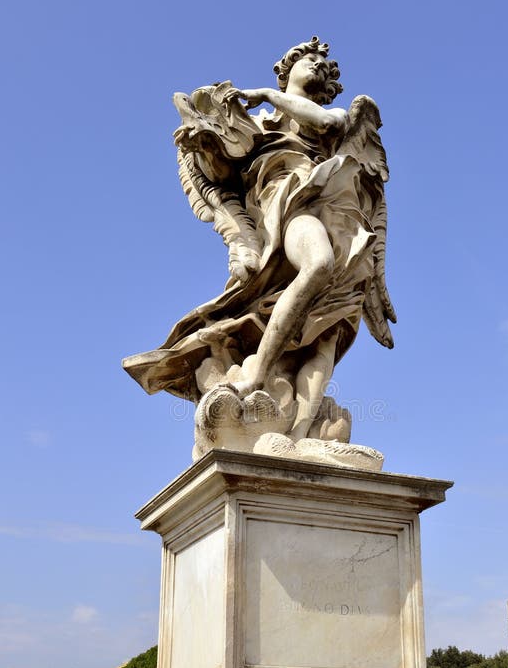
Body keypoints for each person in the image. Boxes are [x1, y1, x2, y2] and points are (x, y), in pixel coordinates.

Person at [124, 38, 395, 449]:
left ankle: (302, 435)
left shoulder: (336, 118)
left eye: (325, 65)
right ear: (287, 69)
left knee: (327, 336)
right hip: (293, 204)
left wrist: (267, 94)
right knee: (317, 263)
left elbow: (326, 124)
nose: (319, 67)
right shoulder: (260, 126)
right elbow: (219, 174)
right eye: (310, 60)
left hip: (345, 221)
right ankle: (254, 374)